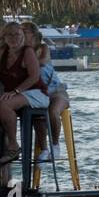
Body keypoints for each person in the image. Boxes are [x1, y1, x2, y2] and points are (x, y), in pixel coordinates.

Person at [0, 22, 48, 166]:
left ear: (23, 36)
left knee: (6, 104)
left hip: (36, 94)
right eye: (10, 34)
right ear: (4, 37)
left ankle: (14, 147)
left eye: (17, 34)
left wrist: (15, 91)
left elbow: (34, 76)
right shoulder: (3, 53)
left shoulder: (27, 52)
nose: (14, 38)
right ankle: (4, 142)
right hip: (15, 97)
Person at [22, 21, 69, 162]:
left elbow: (43, 60)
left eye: (25, 31)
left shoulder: (42, 47)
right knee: (37, 118)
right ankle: (43, 149)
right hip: (39, 93)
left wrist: (25, 63)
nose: (22, 34)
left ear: (34, 34)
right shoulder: (21, 52)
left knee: (53, 111)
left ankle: (55, 145)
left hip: (56, 91)